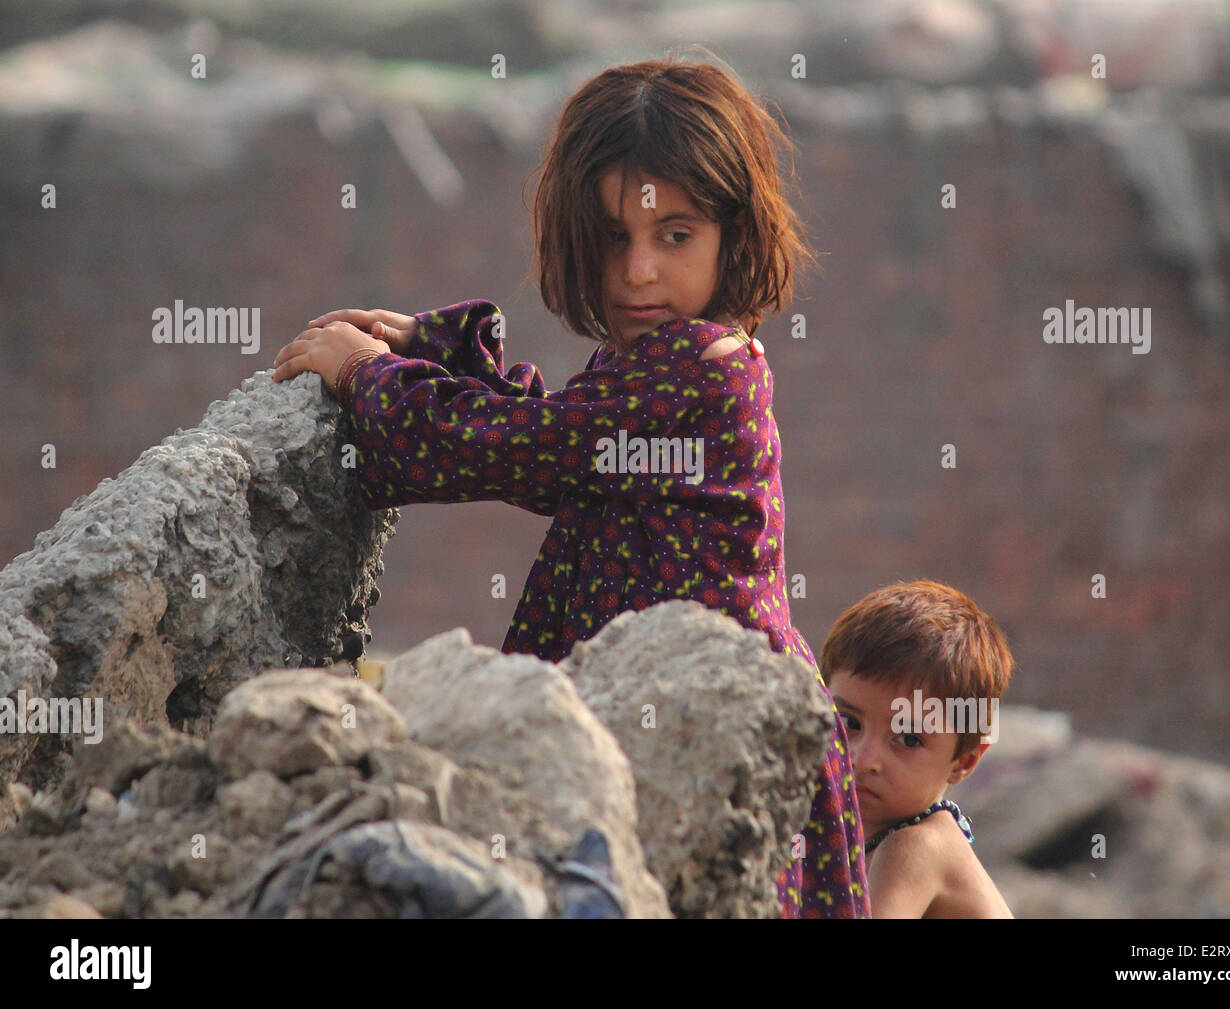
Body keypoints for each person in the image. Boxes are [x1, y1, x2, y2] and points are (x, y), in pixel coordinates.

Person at [270, 51, 867, 918]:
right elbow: (570, 445)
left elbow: (528, 450)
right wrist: (434, 352)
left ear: (735, 235)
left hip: (700, 718)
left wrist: (368, 377)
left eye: (675, 236)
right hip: (662, 697)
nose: (637, 272)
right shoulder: (665, 360)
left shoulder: (695, 364)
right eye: (611, 239)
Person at [820, 579, 1016, 917]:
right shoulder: (857, 835)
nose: (863, 760)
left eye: (909, 739)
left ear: (964, 762)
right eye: (849, 723)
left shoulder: (917, 846)